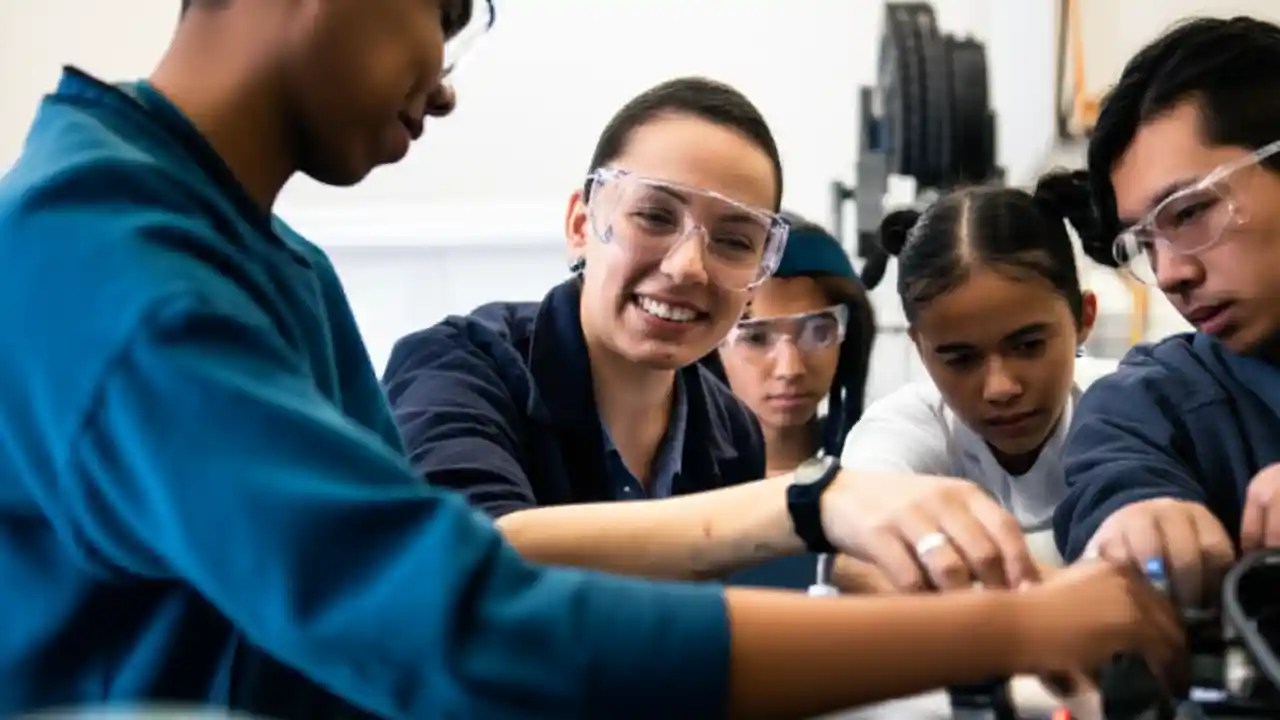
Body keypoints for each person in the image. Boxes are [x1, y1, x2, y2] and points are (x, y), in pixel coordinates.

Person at [0, 0, 1186, 717]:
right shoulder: (109, 264)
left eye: (735, 241)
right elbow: (461, 611)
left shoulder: (279, 266)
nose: (448, 81)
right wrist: (1017, 626)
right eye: (446, 11)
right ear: (584, 222)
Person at [1053, 15, 1280, 611]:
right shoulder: (1151, 406)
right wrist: (1139, 527)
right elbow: (1116, 482)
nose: (1171, 273)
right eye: (1145, 242)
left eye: (1189, 212)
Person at [837, 175, 1116, 590]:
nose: (1000, 388)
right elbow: (854, 560)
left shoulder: (1130, 405)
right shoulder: (899, 433)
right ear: (920, 348)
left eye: (1028, 346)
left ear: (1083, 318)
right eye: (961, 359)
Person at [715, 211, 876, 476]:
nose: (790, 369)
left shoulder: (880, 466)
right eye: (756, 338)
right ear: (711, 349)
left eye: (818, 332)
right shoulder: (668, 481)